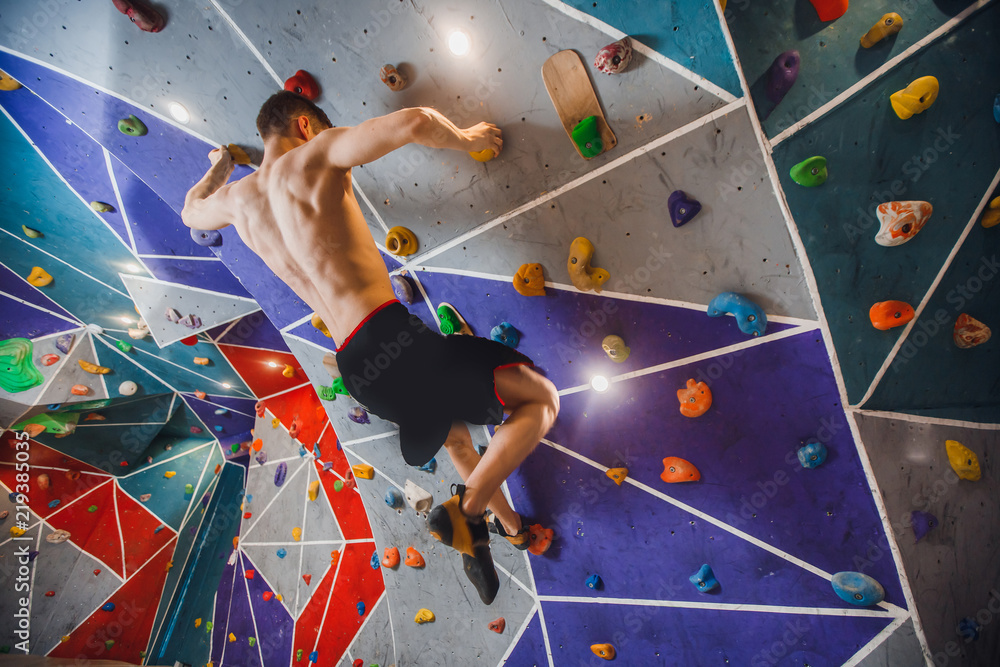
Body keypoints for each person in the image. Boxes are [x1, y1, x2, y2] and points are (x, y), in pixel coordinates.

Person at [182, 91, 560, 604]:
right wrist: (468, 138)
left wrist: (220, 165)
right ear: (305, 125)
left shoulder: (235, 199)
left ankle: (511, 531)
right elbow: (412, 121)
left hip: (359, 368)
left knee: (455, 441)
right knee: (540, 399)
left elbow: (191, 211)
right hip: (391, 335)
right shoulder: (314, 154)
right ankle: (466, 514)